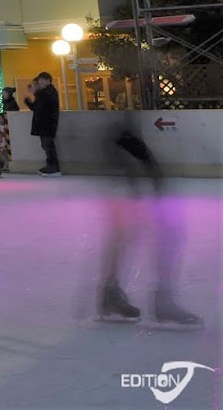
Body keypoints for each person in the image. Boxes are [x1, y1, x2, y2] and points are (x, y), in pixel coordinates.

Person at [95, 113, 201, 328]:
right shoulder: (127, 114)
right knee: (162, 234)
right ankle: (161, 300)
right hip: (129, 181)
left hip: (130, 178)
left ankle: (114, 293)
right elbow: (122, 136)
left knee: (132, 236)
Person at [24, 72, 62, 175]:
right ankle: (51, 166)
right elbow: (36, 107)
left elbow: (43, 105)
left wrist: (35, 93)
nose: (40, 82)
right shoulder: (43, 93)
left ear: (48, 81)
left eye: (41, 80)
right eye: (39, 80)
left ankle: (54, 168)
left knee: (48, 146)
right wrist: (28, 101)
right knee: (46, 145)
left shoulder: (49, 92)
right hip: (43, 124)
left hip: (48, 124)